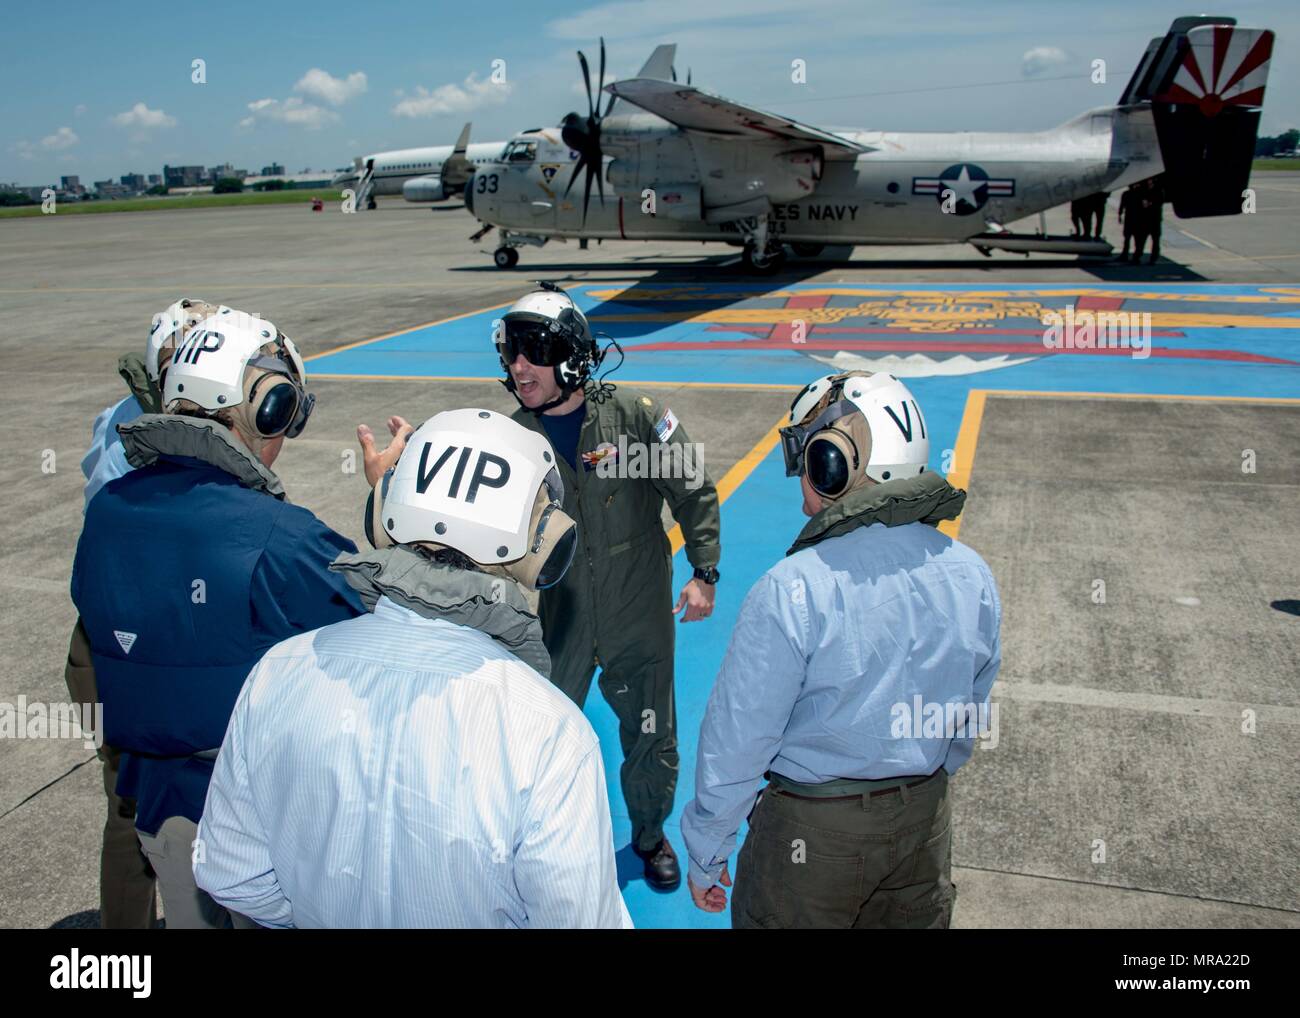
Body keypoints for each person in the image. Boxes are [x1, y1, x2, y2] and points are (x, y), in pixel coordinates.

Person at [194, 410, 633, 928]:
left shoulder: (277, 671)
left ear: (384, 514)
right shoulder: (552, 731)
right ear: (541, 548)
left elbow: (231, 875)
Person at [356, 283, 722, 892]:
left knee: (651, 731)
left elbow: (692, 487)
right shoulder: (509, 444)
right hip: (561, 614)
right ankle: (535, 841)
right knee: (531, 731)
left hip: (639, 608)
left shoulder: (634, 415)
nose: (518, 366)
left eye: (533, 351)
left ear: (572, 356)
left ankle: (650, 835)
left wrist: (704, 572)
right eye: (510, 353)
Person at [70, 308, 363, 929]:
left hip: (160, 815)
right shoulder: (283, 538)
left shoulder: (107, 514)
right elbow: (385, 627)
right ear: (261, 407)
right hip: (258, 828)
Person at [681, 371, 1002, 929]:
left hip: (814, 837)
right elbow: (970, 706)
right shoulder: (970, 571)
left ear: (835, 462)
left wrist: (709, 848)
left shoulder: (795, 586)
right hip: (924, 821)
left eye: (806, 453)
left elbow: (739, 737)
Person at [67, 297, 218, 929]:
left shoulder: (117, 417)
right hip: (149, 651)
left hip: (98, 642)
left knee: (124, 807)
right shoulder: (169, 440)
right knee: (185, 807)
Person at [1132, 175, 1166, 265]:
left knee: (1155, 240)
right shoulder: (1142, 190)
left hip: (1155, 219)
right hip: (1145, 219)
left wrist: (1150, 203)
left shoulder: (1158, 191)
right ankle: (1137, 256)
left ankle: (1153, 257)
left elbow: (1160, 201)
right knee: (1141, 240)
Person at [1117, 183, 1141, 260]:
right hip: (1136, 218)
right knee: (1136, 239)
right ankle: (1136, 255)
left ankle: (1126, 254)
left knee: (1128, 238)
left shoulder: (1126, 194)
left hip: (1130, 218)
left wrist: (1120, 215)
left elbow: (1122, 206)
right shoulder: (1139, 194)